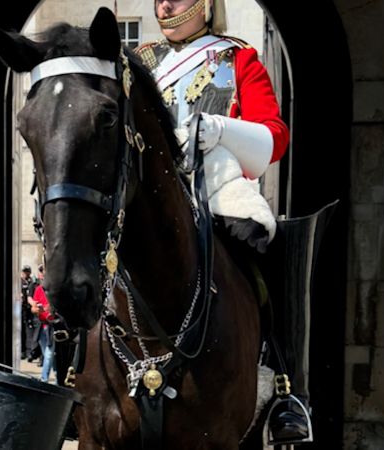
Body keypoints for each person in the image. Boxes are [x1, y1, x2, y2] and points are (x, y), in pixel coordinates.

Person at [137, 0, 310, 444]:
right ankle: (71, 371)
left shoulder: (238, 58)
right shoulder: (137, 62)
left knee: (258, 242)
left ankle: (284, 383)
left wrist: (221, 129)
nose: (165, 4)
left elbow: (273, 138)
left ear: (206, 3)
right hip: (143, 192)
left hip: (212, 184)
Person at [31, 280, 56, 382]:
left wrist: (49, 310)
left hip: (52, 326)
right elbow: (33, 308)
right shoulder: (38, 289)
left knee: (49, 353)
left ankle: (44, 378)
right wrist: (36, 309)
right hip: (41, 326)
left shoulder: (55, 290)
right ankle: (58, 375)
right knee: (46, 354)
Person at [20, 265, 41, 361]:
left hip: (30, 309)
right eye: (24, 271)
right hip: (22, 309)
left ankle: (30, 352)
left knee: (31, 331)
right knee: (23, 331)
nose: (26, 273)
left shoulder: (33, 283)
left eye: (27, 271)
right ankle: (24, 351)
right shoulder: (19, 282)